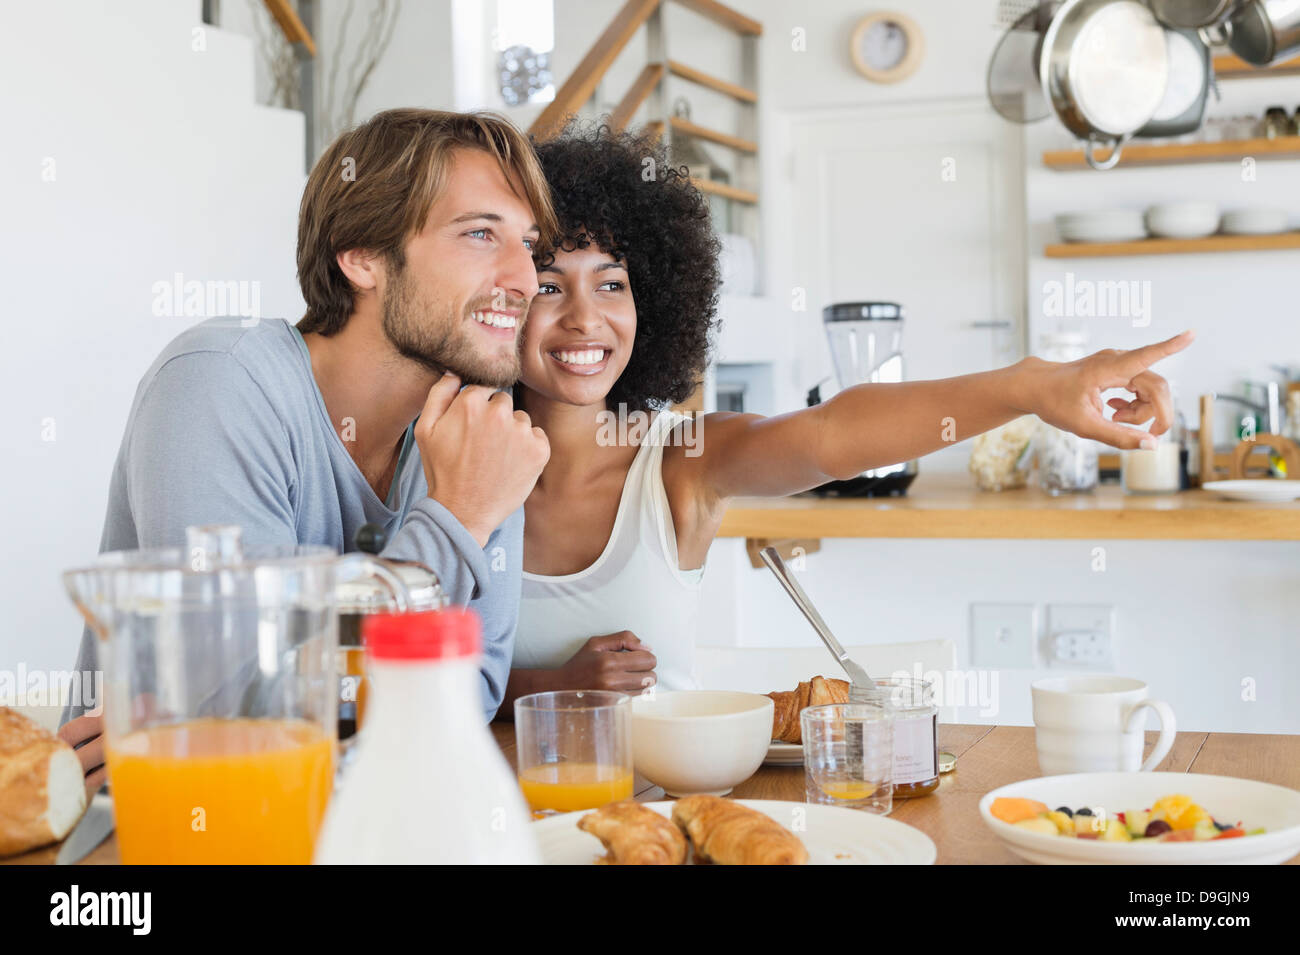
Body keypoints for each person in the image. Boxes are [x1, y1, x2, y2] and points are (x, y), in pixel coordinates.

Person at [502, 123, 1193, 707]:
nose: (585, 317)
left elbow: (831, 433)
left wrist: (1031, 385)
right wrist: (548, 685)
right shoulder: (444, 469)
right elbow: (396, 674)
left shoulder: (681, 464)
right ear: (501, 299)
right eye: (549, 285)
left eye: (613, 282)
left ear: (650, 302)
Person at [58, 109, 555, 794]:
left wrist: (264, 703)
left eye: (528, 244)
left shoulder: (485, 439)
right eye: (479, 234)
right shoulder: (220, 380)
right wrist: (455, 521)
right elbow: (225, 702)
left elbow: (458, 707)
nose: (527, 279)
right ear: (361, 255)